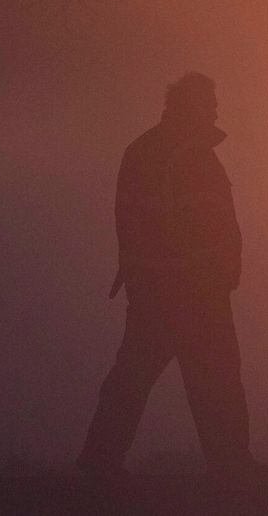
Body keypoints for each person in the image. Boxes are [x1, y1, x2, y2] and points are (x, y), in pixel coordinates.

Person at [78, 72, 255, 482]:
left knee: (134, 378)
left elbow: (135, 223)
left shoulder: (149, 150)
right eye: (209, 102)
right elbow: (189, 225)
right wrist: (213, 272)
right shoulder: (183, 153)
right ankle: (231, 468)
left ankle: (98, 464)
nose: (215, 109)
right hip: (192, 289)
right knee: (217, 380)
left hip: (157, 289)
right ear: (191, 106)